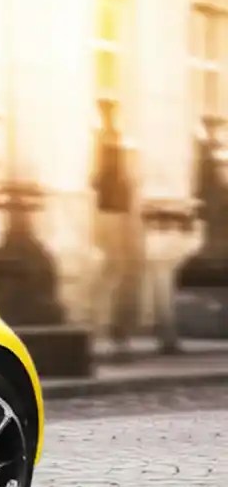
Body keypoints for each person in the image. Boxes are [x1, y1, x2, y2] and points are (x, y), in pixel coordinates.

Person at [91, 100, 142, 359]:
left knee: (119, 274)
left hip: (117, 213)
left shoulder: (110, 145)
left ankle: (116, 332)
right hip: (110, 213)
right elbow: (102, 179)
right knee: (114, 274)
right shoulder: (105, 144)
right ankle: (110, 332)